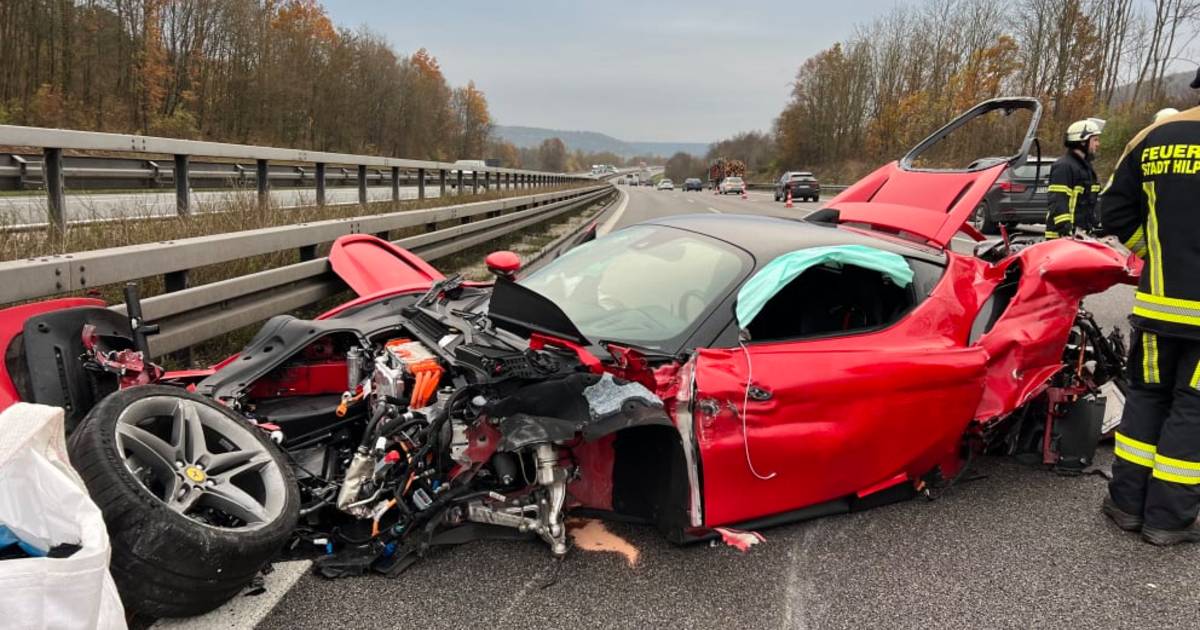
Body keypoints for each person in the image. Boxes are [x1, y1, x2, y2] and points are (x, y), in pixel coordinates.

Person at [1101, 68, 1200, 545]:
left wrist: (1153, 253)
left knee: (1148, 396)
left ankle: (1126, 505)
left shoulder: (1155, 136)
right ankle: (1169, 518)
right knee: (1194, 409)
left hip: (1160, 306)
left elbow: (1113, 209)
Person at [1045, 119, 1102, 238]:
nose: (1098, 144)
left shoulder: (1086, 168)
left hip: (1080, 236)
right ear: (1082, 142)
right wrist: (1066, 230)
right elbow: (1058, 201)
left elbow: (1090, 203)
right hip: (1062, 238)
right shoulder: (1064, 166)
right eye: (1095, 140)